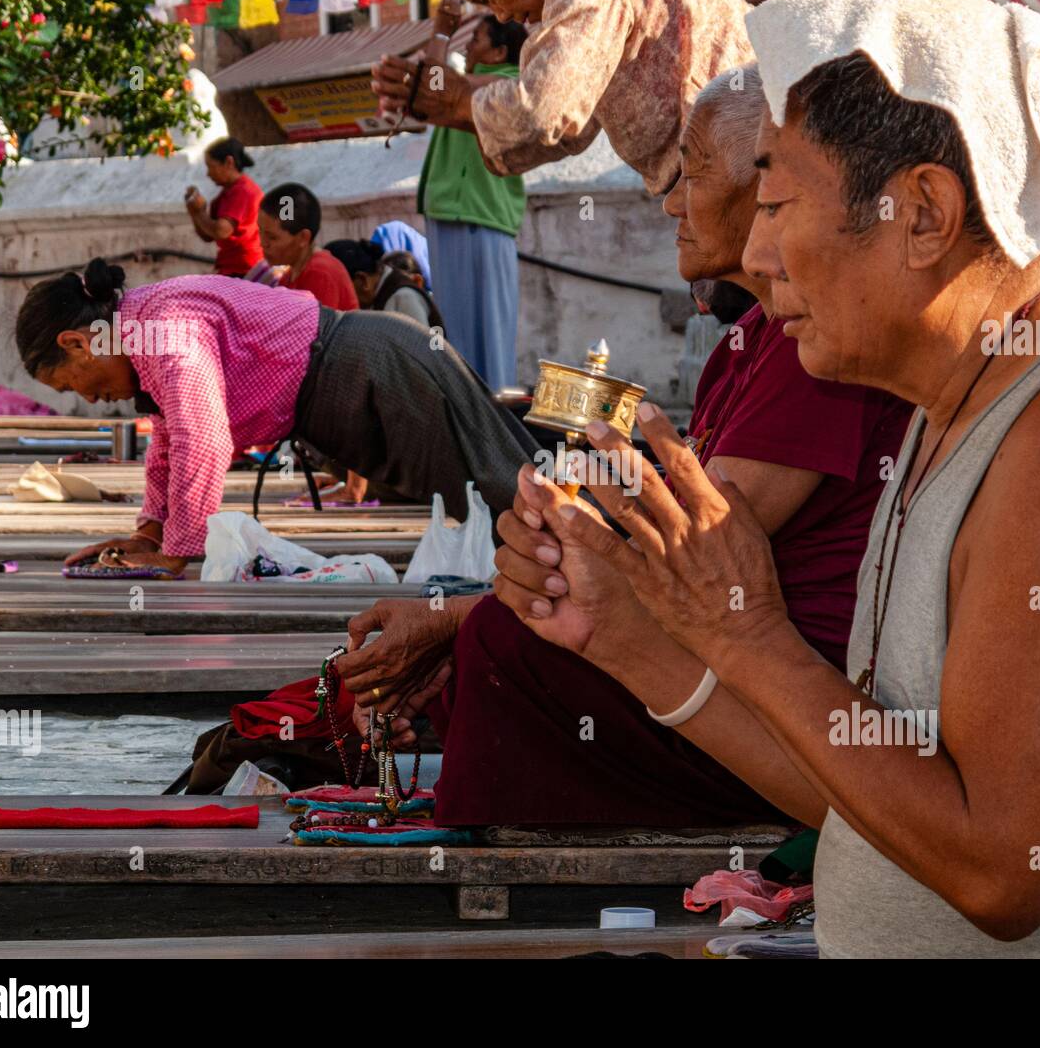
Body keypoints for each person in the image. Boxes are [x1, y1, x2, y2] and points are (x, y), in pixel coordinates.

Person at [496, 0, 1040, 958]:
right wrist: (636, 643)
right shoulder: (957, 402)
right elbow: (871, 792)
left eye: (775, 201)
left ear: (922, 212)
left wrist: (748, 631)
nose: (755, 256)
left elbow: (995, 869)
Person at [333, 67, 910, 828]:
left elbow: (690, 556)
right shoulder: (752, 340)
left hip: (799, 697)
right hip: (734, 656)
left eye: (695, 176)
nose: (670, 202)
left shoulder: (819, 349)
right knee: (501, 632)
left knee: (508, 644)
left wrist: (469, 615)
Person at [15, 261, 538, 576]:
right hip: (360, 382)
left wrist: (175, 554)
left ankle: (602, 577)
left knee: (509, 494)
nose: (89, 398)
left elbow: (204, 437)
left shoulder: (160, 327)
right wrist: (149, 534)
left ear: (77, 343)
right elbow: (171, 443)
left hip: (378, 369)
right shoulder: (142, 334)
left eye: (69, 384)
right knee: (498, 503)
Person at [371, 0, 756, 195]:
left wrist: (458, 101)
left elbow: (544, 108)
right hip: (723, 174)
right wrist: (451, 107)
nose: (501, 15)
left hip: (752, 164)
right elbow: (566, 128)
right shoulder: (558, 16)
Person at [414, 6, 529, 390]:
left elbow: (430, 87)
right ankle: (464, 418)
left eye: (477, 38)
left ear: (499, 52)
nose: (471, 46)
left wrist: (443, 33)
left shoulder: (509, 82)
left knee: (491, 339)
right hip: (450, 211)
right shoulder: (465, 85)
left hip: (482, 216)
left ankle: (495, 428)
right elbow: (428, 94)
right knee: (456, 337)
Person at [258, 183, 359, 311]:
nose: (263, 243)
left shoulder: (320, 274)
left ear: (303, 238)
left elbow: (315, 329)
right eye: (260, 232)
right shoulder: (289, 276)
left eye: (272, 237)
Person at [184, 137, 264, 277]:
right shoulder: (225, 194)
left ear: (229, 162)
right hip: (230, 267)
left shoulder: (244, 191)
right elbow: (208, 235)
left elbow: (221, 231)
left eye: (211, 167)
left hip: (245, 268)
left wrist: (200, 212)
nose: (208, 174)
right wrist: (195, 212)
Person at [325, 239, 444, 330]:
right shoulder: (380, 295)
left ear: (363, 281)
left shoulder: (404, 297)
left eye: (343, 287)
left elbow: (425, 351)